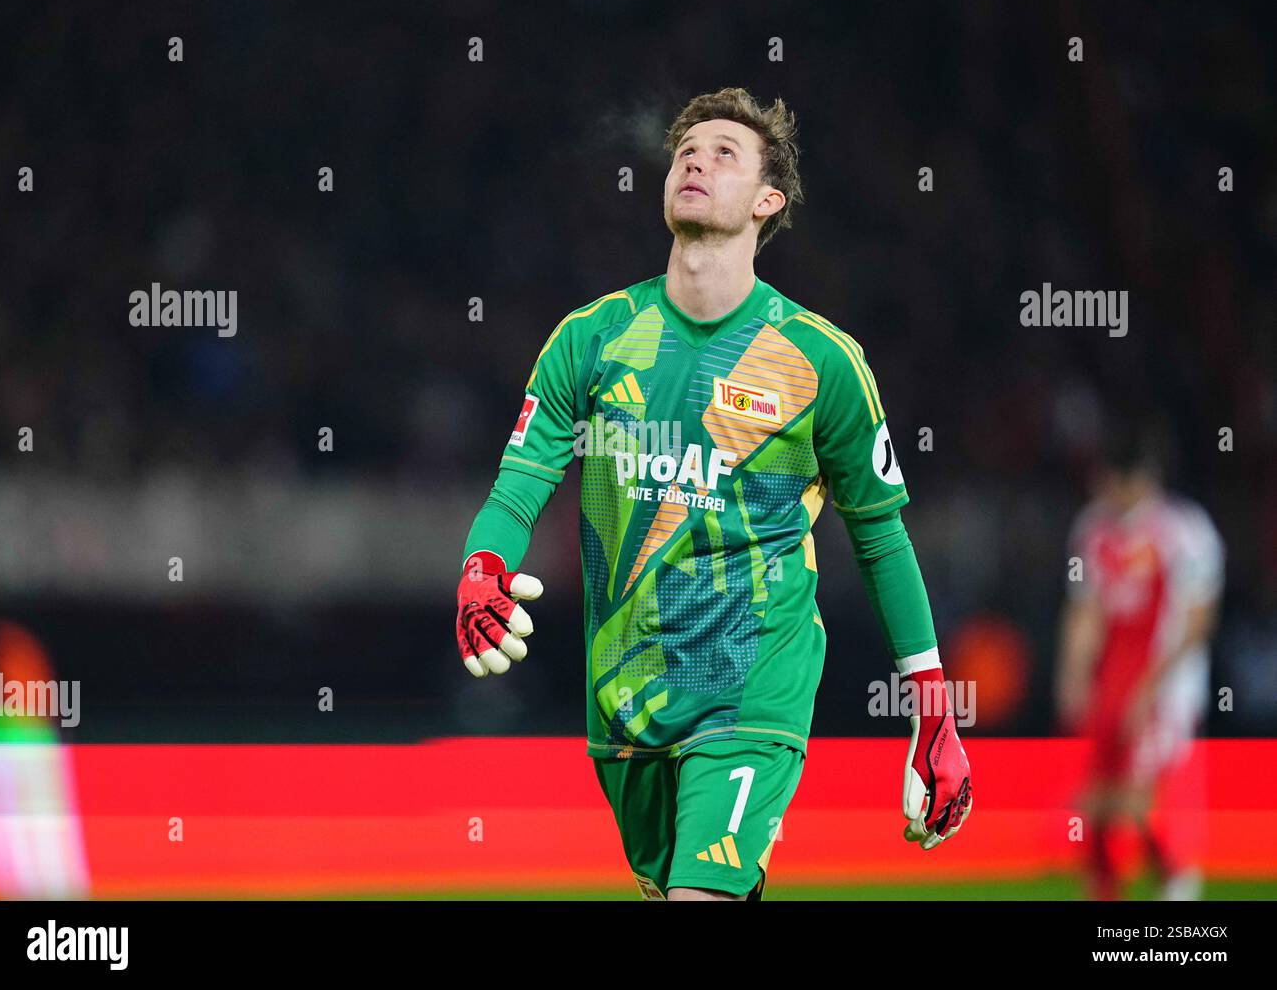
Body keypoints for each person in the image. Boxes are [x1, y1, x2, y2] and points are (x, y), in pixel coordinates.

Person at [455, 87, 971, 900]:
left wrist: (934, 709)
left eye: (724, 152)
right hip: (623, 699)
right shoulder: (590, 339)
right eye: (686, 149)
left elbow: (881, 539)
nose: (696, 158)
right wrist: (482, 570)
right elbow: (517, 491)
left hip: (752, 685)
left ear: (769, 201)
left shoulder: (820, 363)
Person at [1057, 429, 1224, 900]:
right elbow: (1085, 608)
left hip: (1167, 688)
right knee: (1095, 809)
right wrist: (1073, 672)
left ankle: (1177, 879)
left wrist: (1151, 689)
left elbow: (1198, 620)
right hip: (1111, 681)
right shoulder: (1093, 528)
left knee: (1137, 804)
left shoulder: (1186, 530)